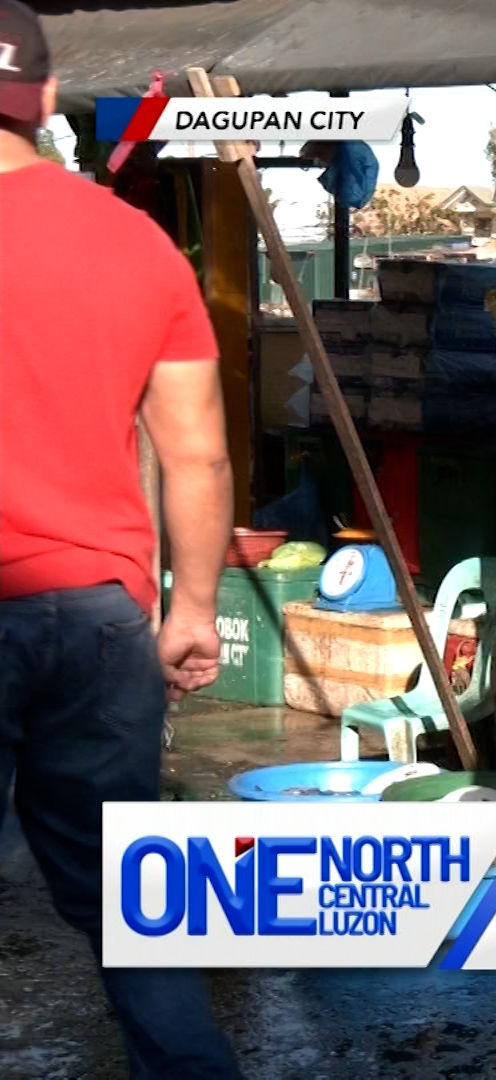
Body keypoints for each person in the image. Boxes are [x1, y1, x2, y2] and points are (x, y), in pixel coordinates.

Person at [0, 4, 244, 1076]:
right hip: (102, 623)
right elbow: (197, 458)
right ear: (46, 101)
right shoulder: (138, 244)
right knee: (133, 919)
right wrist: (191, 614)